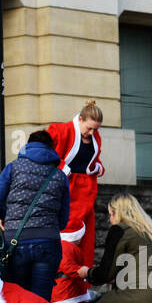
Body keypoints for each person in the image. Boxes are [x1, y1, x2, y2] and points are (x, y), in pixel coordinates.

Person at [0, 130, 69, 301]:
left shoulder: (13, 168)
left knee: (17, 301)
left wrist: (7, 217)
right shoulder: (60, 175)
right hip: (48, 244)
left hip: (16, 242)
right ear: (51, 149)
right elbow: (63, 221)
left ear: (28, 145)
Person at [49, 101, 105, 268]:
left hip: (86, 193)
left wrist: (98, 167)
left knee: (86, 239)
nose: (92, 133)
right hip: (65, 190)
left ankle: (83, 281)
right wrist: (63, 168)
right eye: (89, 128)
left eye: (96, 129)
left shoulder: (95, 137)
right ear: (80, 119)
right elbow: (44, 152)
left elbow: (93, 160)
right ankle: (63, 272)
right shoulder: (59, 131)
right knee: (65, 231)